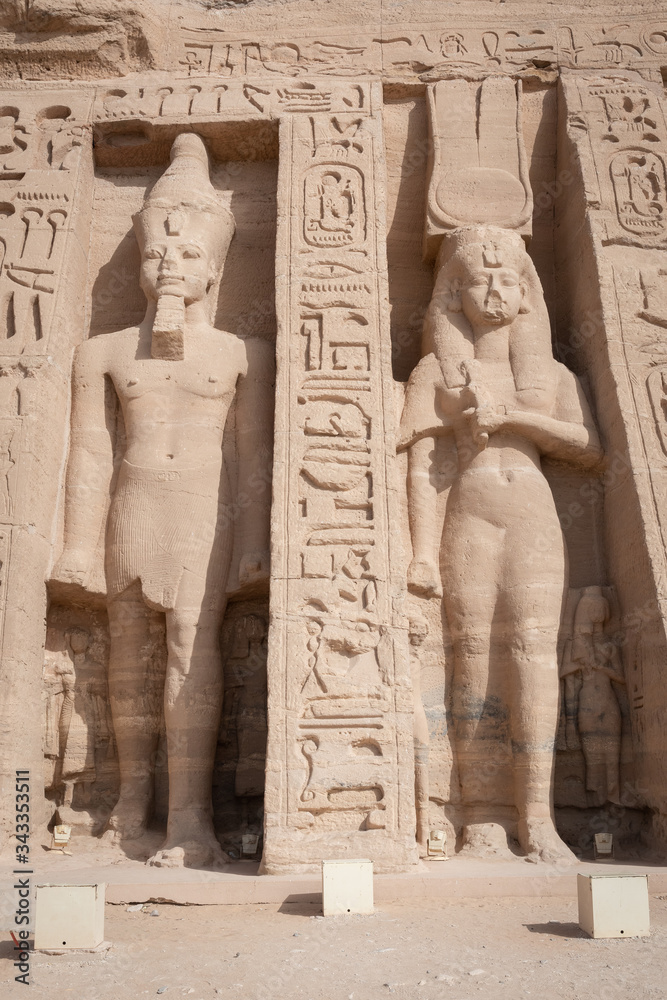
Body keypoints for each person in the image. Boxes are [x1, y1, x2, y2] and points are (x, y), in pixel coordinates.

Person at [53, 133, 274, 868]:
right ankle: (128, 803)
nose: (169, 264)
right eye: (156, 253)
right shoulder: (105, 351)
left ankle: (190, 818)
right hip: (133, 505)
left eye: (186, 254)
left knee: (191, 644)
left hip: (205, 513)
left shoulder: (243, 354)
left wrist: (252, 544)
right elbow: (90, 449)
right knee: (128, 652)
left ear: (214, 268)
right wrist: (77, 544)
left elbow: (253, 455)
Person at [400, 227, 602, 862]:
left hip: (532, 514)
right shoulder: (436, 371)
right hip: (470, 514)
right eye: (478, 281)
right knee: (473, 655)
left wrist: (512, 417)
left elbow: (588, 446)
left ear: (526, 294)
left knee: (533, 655)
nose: (493, 291)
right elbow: (420, 467)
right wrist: (422, 553)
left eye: (507, 280)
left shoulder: (552, 375)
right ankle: (483, 817)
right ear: (453, 294)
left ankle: (538, 817)